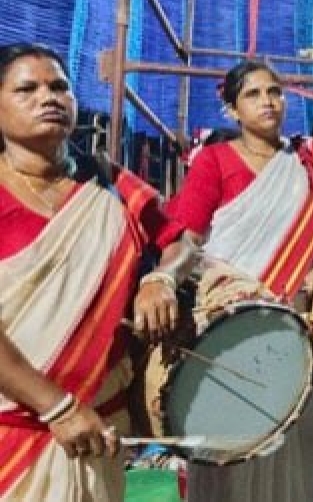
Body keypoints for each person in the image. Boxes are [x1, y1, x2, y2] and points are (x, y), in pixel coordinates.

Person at [166, 60, 313, 502]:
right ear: (232, 110)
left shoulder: (311, 161)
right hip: (230, 327)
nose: (268, 102)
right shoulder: (215, 161)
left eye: (275, 92)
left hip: (293, 323)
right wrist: (163, 278)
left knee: (293, 450)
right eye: (253, 94)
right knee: (230, 451)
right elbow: (188, 237)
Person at [0, 43, 186, 500]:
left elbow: (180, 242)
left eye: (59, 87)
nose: (49, 97)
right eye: (27, 89)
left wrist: (160, 278)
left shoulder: (107, 182)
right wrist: (57, 407)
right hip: (17, 434)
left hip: (101, 430)